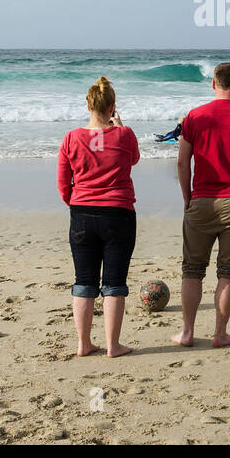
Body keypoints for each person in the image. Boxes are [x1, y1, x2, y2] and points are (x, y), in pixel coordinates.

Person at [172, 62, 230, 348]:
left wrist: (188, 197)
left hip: (201, 199)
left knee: (192, 270)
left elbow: (181, 161)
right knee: (229, 272)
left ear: (213, 84)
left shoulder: (194, 117)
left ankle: (187, 332)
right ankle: (220, 333)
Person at [57, 75, 141, 358]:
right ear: (112, 107)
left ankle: (83, 344)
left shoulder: (71, 137)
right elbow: (133, 159)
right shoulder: (125, 135)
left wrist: (76, 202)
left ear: (88, 105)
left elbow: (63, 182)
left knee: (84, 281)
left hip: (82, 213)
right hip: (118, 213)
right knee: (115, 282)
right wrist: (119, 127)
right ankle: (113, 345)